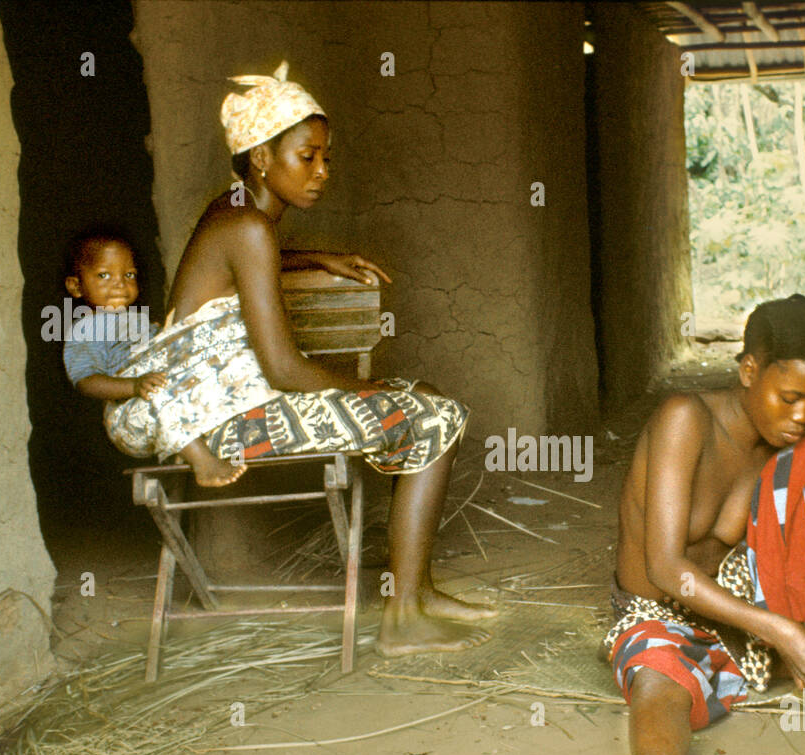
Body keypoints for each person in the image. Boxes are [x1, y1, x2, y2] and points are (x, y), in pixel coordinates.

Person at [110, 61, 495, 656]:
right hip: (214, 426)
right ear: (262, 158)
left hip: (218, 403)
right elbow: (285, 371)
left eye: (326, 157)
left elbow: (244, 261)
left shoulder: (234, 211)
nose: (321, 172)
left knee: (428, 392)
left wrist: (314, 257)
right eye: (306, 156)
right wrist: (368, 393)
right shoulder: (249, 228)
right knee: (432, 416)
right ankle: (402, 619)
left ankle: (417, 592)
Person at [596, 294, 805, 755]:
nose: (802, 417)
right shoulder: (686, 420)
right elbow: (663, 566)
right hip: (659, 609)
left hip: (745, 612)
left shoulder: (786, 453)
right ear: (749, 370)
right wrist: (779, 631)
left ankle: (782, 652)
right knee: (660, 676)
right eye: (790, 397)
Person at [63, 231, 247, 487]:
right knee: (158, 389)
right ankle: (203, 463)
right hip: (126, 417)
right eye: (104, 275)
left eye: (129, 275)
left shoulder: (139, 323)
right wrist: (134, 386)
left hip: (154, 399)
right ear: (76, 286)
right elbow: (86, 382)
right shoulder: (88, 329)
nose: (119, 284)